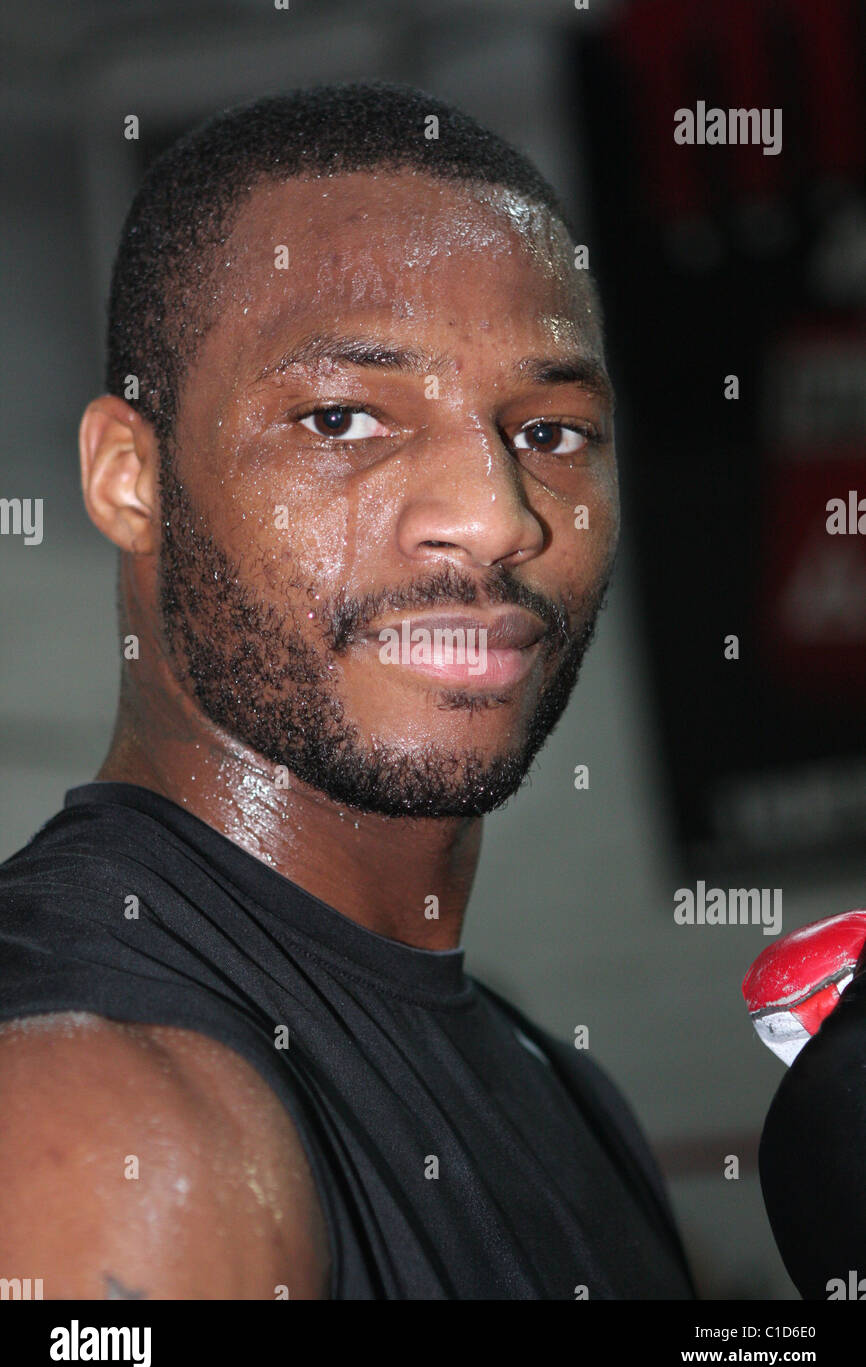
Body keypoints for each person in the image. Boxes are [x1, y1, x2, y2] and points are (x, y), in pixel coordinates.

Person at [0, 82, 694, 1300]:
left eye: (547, 433)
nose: (493, 518)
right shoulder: (99, 1113)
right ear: (129, 477)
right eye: (342, 418)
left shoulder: (557, 1086)